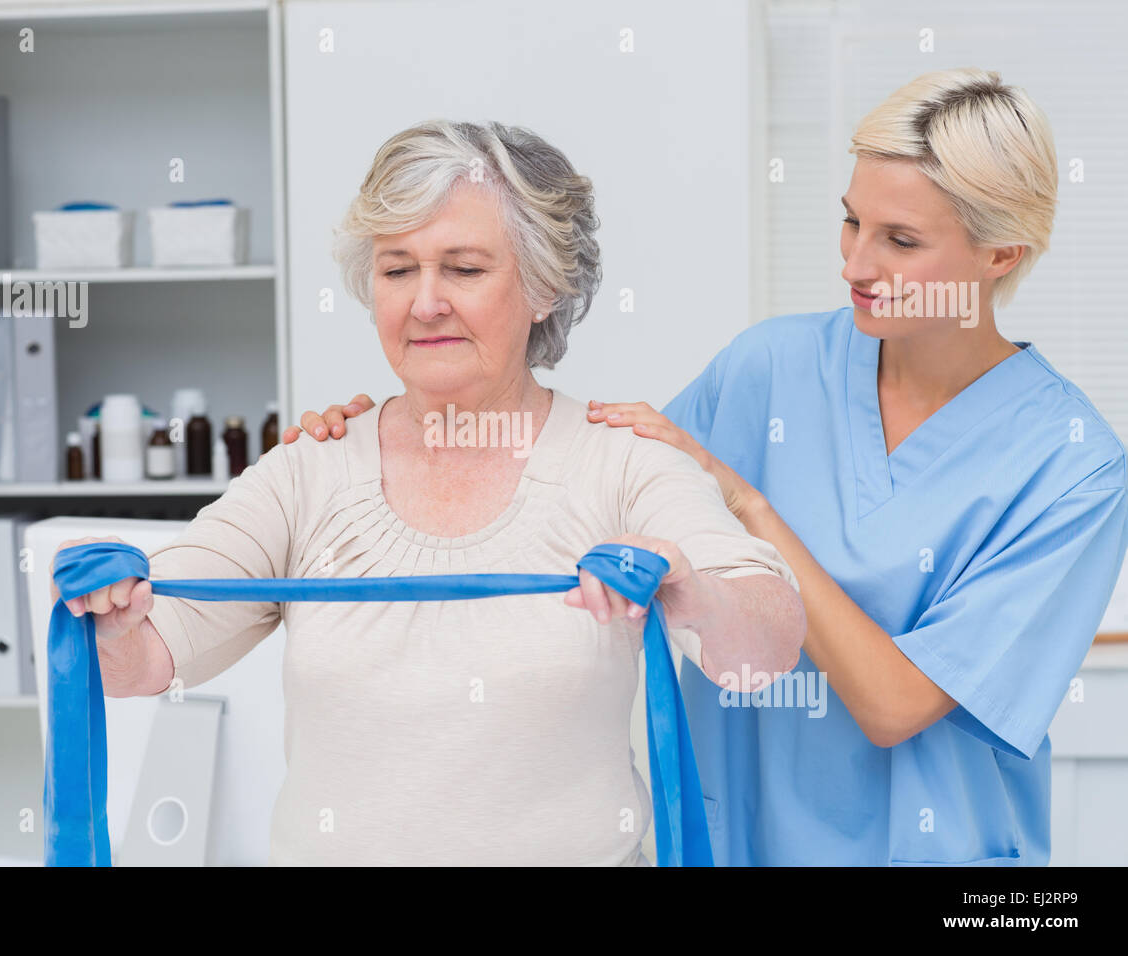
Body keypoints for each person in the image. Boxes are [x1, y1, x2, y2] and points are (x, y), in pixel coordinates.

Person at [287, 70, 1128, 865]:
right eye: (851, 222)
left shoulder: (1071, 467)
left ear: (1001, 256)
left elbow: (896, 704)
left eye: (901, 241)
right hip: (731, 841)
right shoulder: (771, 366)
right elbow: (577, 501)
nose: (856, 266)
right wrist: (397, 440)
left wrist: (748, 504)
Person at [51, 120, 806, 866]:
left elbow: (764, 652)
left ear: (544, 286)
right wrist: (114, 620)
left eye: (465, 269)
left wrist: (692, 590)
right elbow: (142, 662)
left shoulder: (622, 462)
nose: (425, 302)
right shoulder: (309, 469)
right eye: (397, 268)